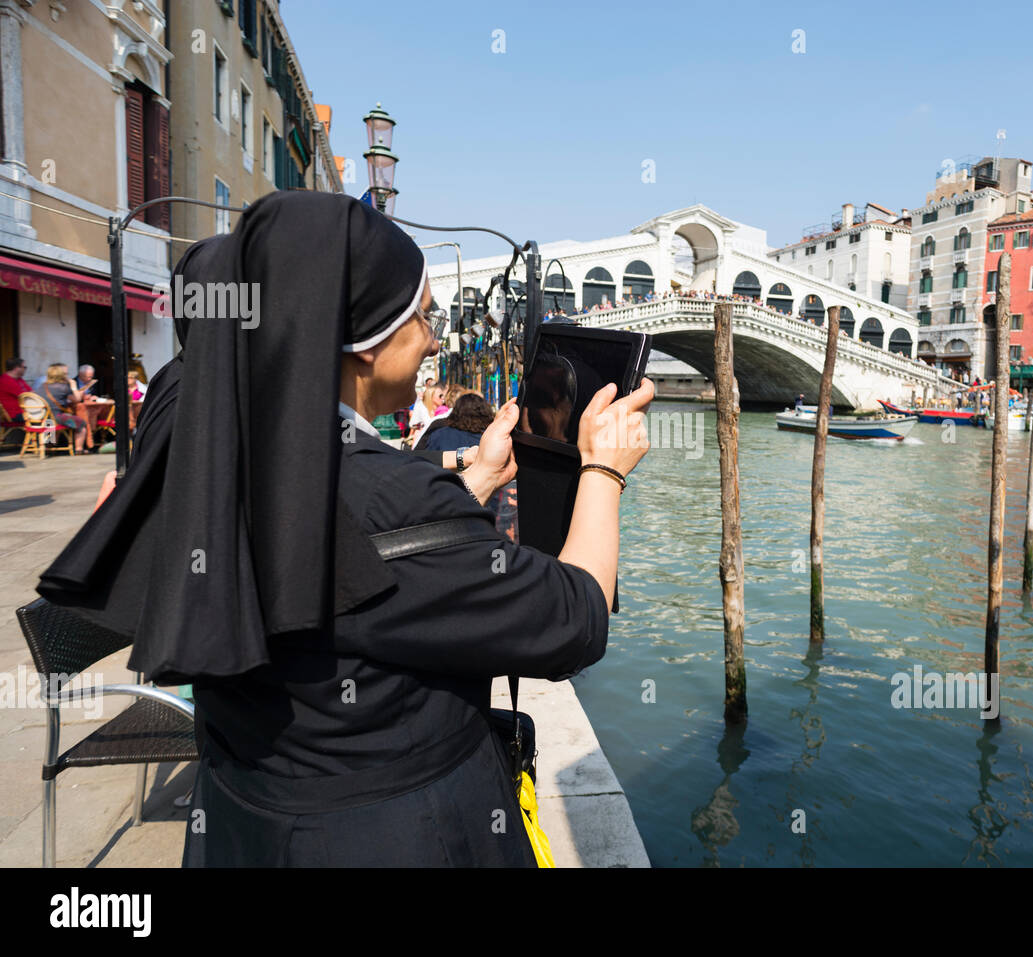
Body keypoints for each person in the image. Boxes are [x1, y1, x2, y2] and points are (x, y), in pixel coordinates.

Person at [37, 191, 655, 867]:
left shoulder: (206, 456)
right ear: (364, 345)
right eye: (422, 317)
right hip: (401, 832)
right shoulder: (394, 496)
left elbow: (357, 561)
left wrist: (472, 484)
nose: (432, 337)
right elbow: (574, 618)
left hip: (245, 822)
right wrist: (604, 469)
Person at [41, 363, 91, 453]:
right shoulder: (63, 387)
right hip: (56, 418)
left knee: (50, 420)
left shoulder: (43, 386)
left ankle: (49, 447)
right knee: (81, 423)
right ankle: (79, 449)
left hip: (41, 418)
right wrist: (73, 386)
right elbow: (77, 399)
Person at [1, 356, 31, 423]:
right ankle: (48, 433)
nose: (25, 369)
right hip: (15, 414)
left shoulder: (19, 379)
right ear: (17, 368)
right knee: (48, 417)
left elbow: (31, 392)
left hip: (24, 411)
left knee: (50, 415)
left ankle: (47, 433)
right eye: (24, 367)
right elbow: (27, 396)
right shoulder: (6, 381)